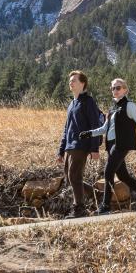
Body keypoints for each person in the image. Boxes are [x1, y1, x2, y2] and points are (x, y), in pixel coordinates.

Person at [79, 78, 136, 214]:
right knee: (123, 176)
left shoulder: (129, 106)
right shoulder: (112, 108)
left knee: (108, 172)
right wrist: (89, 133)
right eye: (113, 88)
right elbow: (104, 129)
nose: (115, 90)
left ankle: (105, 206)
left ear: (125, 89)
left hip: (122, 144)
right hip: (111, 144)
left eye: (118, 88)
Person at [58, 70, 104, 218]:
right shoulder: (72, 104)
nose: (71, 82)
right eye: (70, 80)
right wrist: (60, 150)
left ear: (82, 83)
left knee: (74, 175)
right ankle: (97, 195)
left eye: (74, 80)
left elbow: (94, 124)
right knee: (70, 177)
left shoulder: (88, 101)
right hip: (70, 145)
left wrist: (94, 148)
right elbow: (67, 128)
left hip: (82, 144)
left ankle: (79, 208)